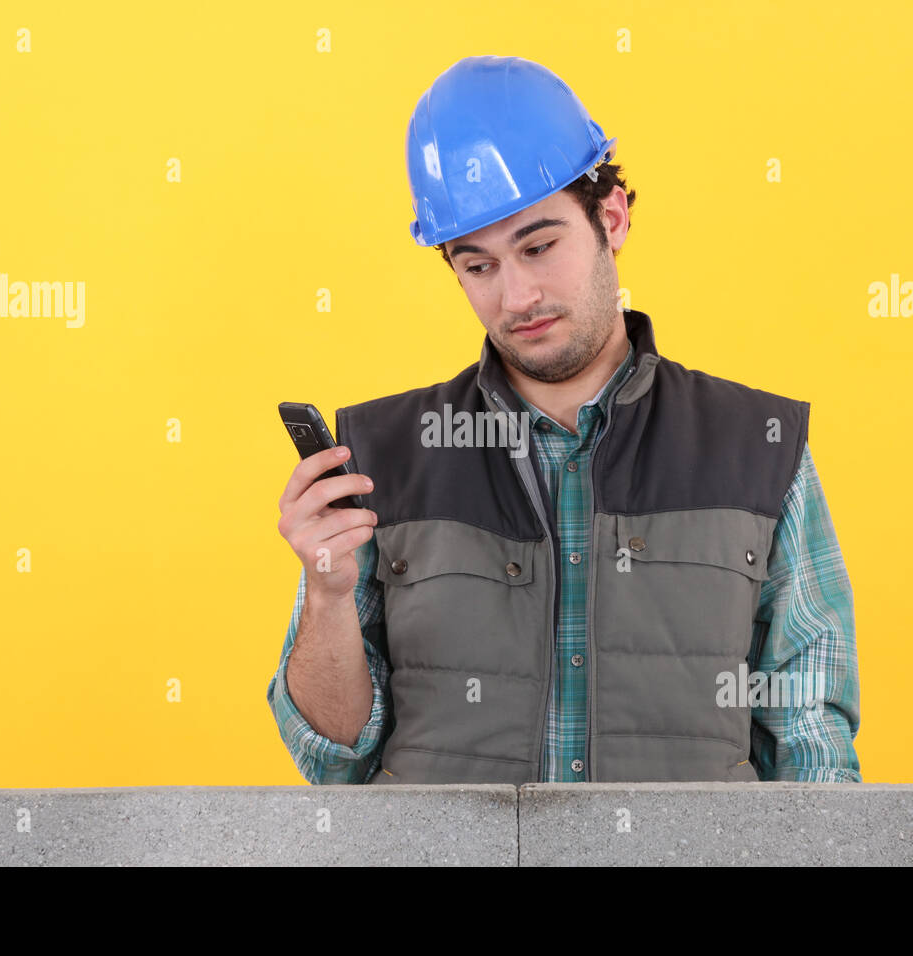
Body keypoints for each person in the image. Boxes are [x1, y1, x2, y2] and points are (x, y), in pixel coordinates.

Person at [269, 55, 860, 785]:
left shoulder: (758, 449)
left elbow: (812, 748)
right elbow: (333, 755)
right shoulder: (377, 460)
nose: (516, 296)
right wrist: (326, 595)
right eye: (477, 265)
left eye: (539, 246)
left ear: (610, 219)